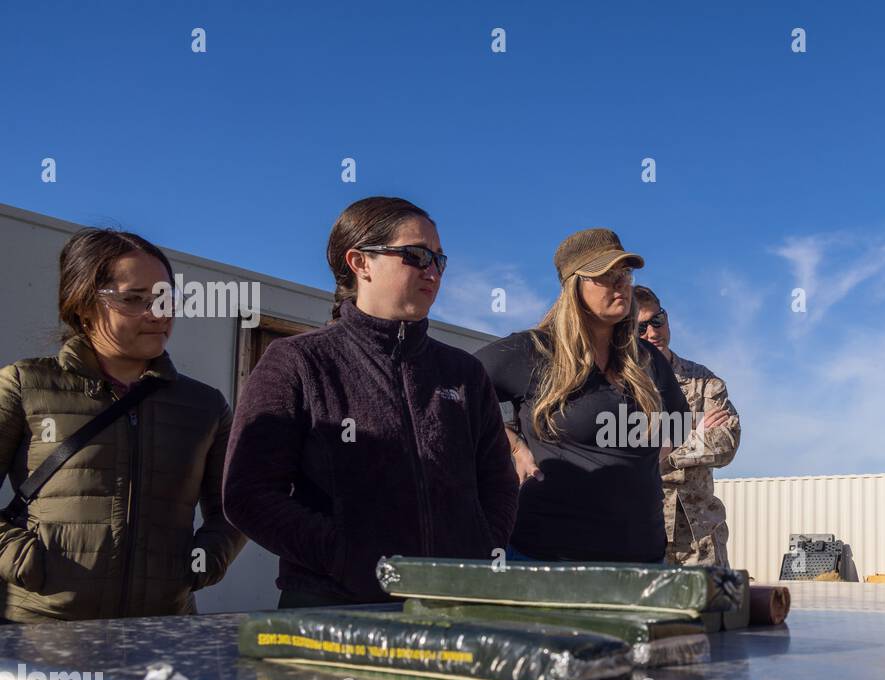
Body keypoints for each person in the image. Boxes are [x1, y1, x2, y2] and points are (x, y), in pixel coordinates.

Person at [223, 197, 517, 607]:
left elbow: (499, 484)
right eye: (415, 255)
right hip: (335, 609)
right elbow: (249, 493)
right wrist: (346, 556)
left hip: (455, 607)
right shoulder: (299, 361)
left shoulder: (463, 373)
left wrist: (479, 551)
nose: (432, 270)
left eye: (439, 259)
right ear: (361, 262)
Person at [0, 229, 244, 622]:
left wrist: (202, 563)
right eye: (134, 299)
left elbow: (234, 506)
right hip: (41, 632)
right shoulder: (24, 385)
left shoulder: (205, 405)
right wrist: (26, 561)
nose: (158, 314)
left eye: (166, 298)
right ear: (82, 304)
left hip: (162, 634)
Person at [476, 229, 688, 563]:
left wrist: (628, 473)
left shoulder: (648, 358)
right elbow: (452, 394)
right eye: (605, 276)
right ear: (574, 286)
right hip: (546, 561)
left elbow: (678, 424)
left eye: (625, 274)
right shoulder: (531, 351)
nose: (620, 284)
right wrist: (512, 445)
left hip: (644, 562)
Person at [634, 285, 740, 567]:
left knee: (710, 611)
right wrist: (693, 431)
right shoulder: (621, 385)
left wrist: (660, 451)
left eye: (658, 320)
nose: (654, 332)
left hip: (698, 537)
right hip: (639, 530)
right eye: (642, 327)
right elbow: (617, 448)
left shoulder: (704, 381)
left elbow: (725, 443)